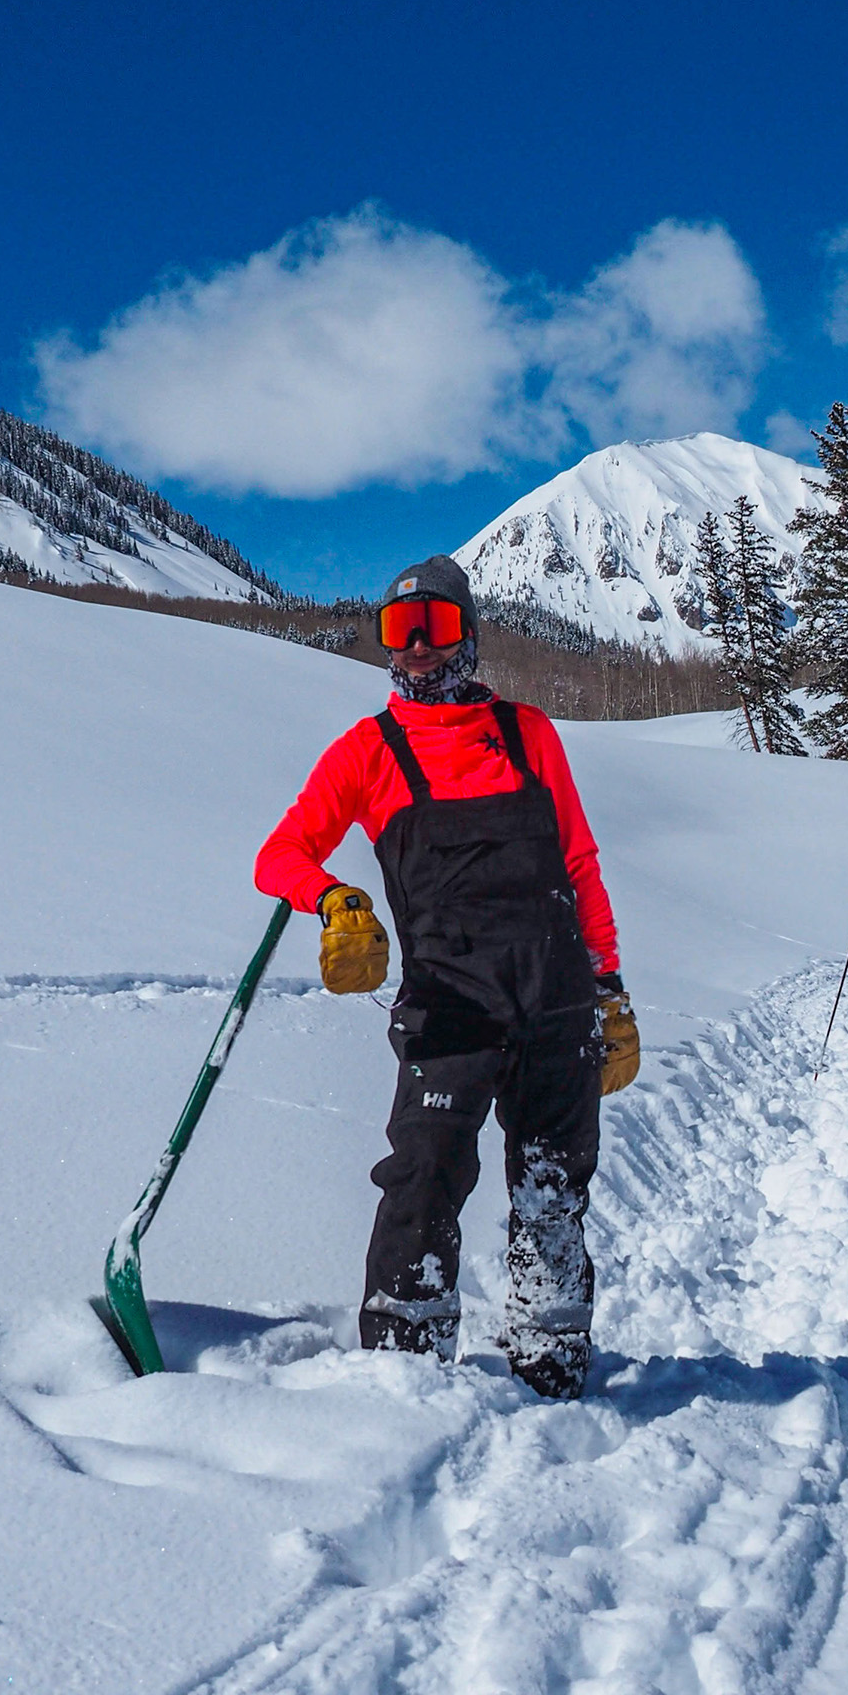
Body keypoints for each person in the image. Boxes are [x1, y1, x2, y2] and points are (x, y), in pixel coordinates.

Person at [254, 556, 638, 1400]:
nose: (419, 648)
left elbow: (578, 861)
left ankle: (553, 1363)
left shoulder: (529, 731)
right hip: (449, 1010)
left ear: (467, 631)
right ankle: (405, 1377)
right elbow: (279, 856)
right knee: (422, 1182)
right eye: (400, 632)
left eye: (434, 627)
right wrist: (335, 897)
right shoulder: (368, 751)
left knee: (552, 1188)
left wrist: (608, 984)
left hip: (557, 997)